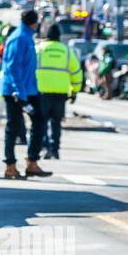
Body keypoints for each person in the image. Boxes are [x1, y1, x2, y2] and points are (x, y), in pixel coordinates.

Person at [0, 10, 50, 179]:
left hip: (29, 89)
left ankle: (32, 162)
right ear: (34, 23)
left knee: (40, 121)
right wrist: (19, 93)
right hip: (15, 91)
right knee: (13, 127)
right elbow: (12, 68)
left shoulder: (26, 36)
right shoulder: (19, 38)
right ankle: (10, 165)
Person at [35, 24, 82, 157]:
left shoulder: (39, 49)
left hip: (42, 91)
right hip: (61, 92)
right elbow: (76, 72)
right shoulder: (67, 51)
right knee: (56, 121)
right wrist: (74, 90)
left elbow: (29, 68)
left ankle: (45, 146)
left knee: (42, 120)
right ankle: (55, 148)